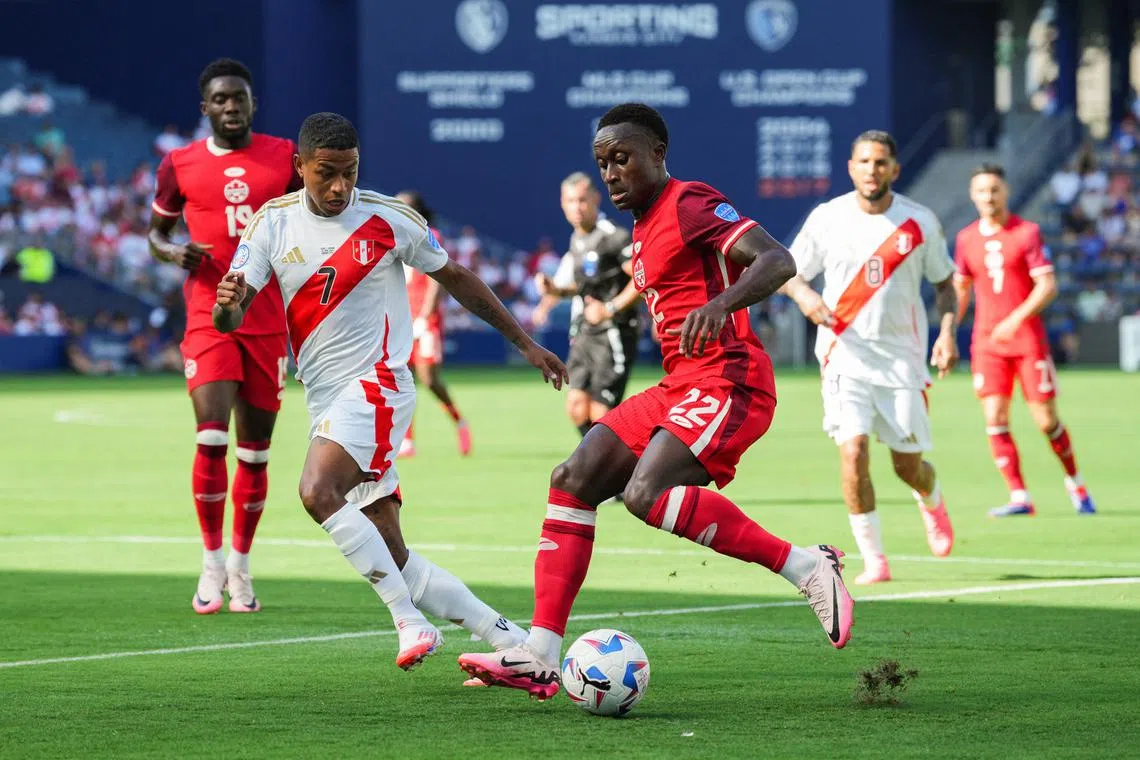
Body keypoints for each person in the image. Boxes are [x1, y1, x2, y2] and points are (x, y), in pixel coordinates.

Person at [457, 103, 854, 701]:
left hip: (730, 378)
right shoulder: (639, 230)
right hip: (679, 384)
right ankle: (540, 650)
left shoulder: (690, 202)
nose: (611, 172)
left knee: (646, 494)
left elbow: (779, 260)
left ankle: (807, 568)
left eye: (623, 158)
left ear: (658, 155)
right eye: (602, 162)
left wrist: (724, 303)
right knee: (573, 477)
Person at [214, 112, 569, 670]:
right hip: (327, 400)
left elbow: (457, 278)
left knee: (315, 491)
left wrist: (525, 343)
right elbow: (230, 317)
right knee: (395, 556)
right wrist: (225, 302)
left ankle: (408, 621)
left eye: (349, 173)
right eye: (325, 173)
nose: (339, 187)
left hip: (379, 384)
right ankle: (517, 647)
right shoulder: (270, 225)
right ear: (298, 166)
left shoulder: (389, 219)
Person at [148, 58, 303, 614]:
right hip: (207, 316)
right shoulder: (179, 164)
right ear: (205, 108)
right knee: (211, 437)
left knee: (255, 454)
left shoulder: (285, 157)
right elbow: (156, 233)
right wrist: (172, 251)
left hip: (267, 321)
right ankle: (211, 563)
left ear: (252, 102)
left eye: (239, 97)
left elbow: (310, 220)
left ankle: (240, 566)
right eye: (220, 99)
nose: (230, 106)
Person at [779, 130, 958, 586]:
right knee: (853, 451)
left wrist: (948, 333)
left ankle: (931, 496)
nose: (872, 170)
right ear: (851, 167)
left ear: (894, 169)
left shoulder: (919, 222)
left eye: (881, 163)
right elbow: (788, 272)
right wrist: (804, 298)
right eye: (864, 162)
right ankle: (875, 559)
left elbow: (944, 283)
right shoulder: (828, 218)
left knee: (907, 466)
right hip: (843, 355)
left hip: (902, 360)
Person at [954, 163, 1096, 517]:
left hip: (1027, 340)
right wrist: (947, 332)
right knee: (995, 417)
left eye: (994, 190)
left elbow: (1047, 285)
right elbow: (961, 288)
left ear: (1006, 192)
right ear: (973, 195)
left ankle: (1075, 483)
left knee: (1046, 420)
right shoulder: (966, 238)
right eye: (982, 191)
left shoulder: (1027, 232)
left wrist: (1014, 319)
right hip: (987, 342)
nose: (988, 197)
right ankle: (1019, 496)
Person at [533, 172, 642, 439]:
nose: (577, 207)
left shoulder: (613, 237)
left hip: (613, 332)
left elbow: (642, 279)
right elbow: (586, 287)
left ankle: (615, 467)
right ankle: (604, 464)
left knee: (601, 414)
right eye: (571, 201)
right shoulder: (577, 239)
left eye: (582, 200)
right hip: (584, 333)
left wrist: (610, 308)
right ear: (562, 203)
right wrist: (556, 290)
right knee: (576, 408)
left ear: (596, 199)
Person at [391, 190, 471, 459]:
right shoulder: (392, 237)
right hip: (402, 319)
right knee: (403, 380)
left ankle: (459, 420)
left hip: (425, 321)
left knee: (428, 379)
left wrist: (426, 314)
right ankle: (407, 441)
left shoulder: (431, 236)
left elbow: (440, 278)